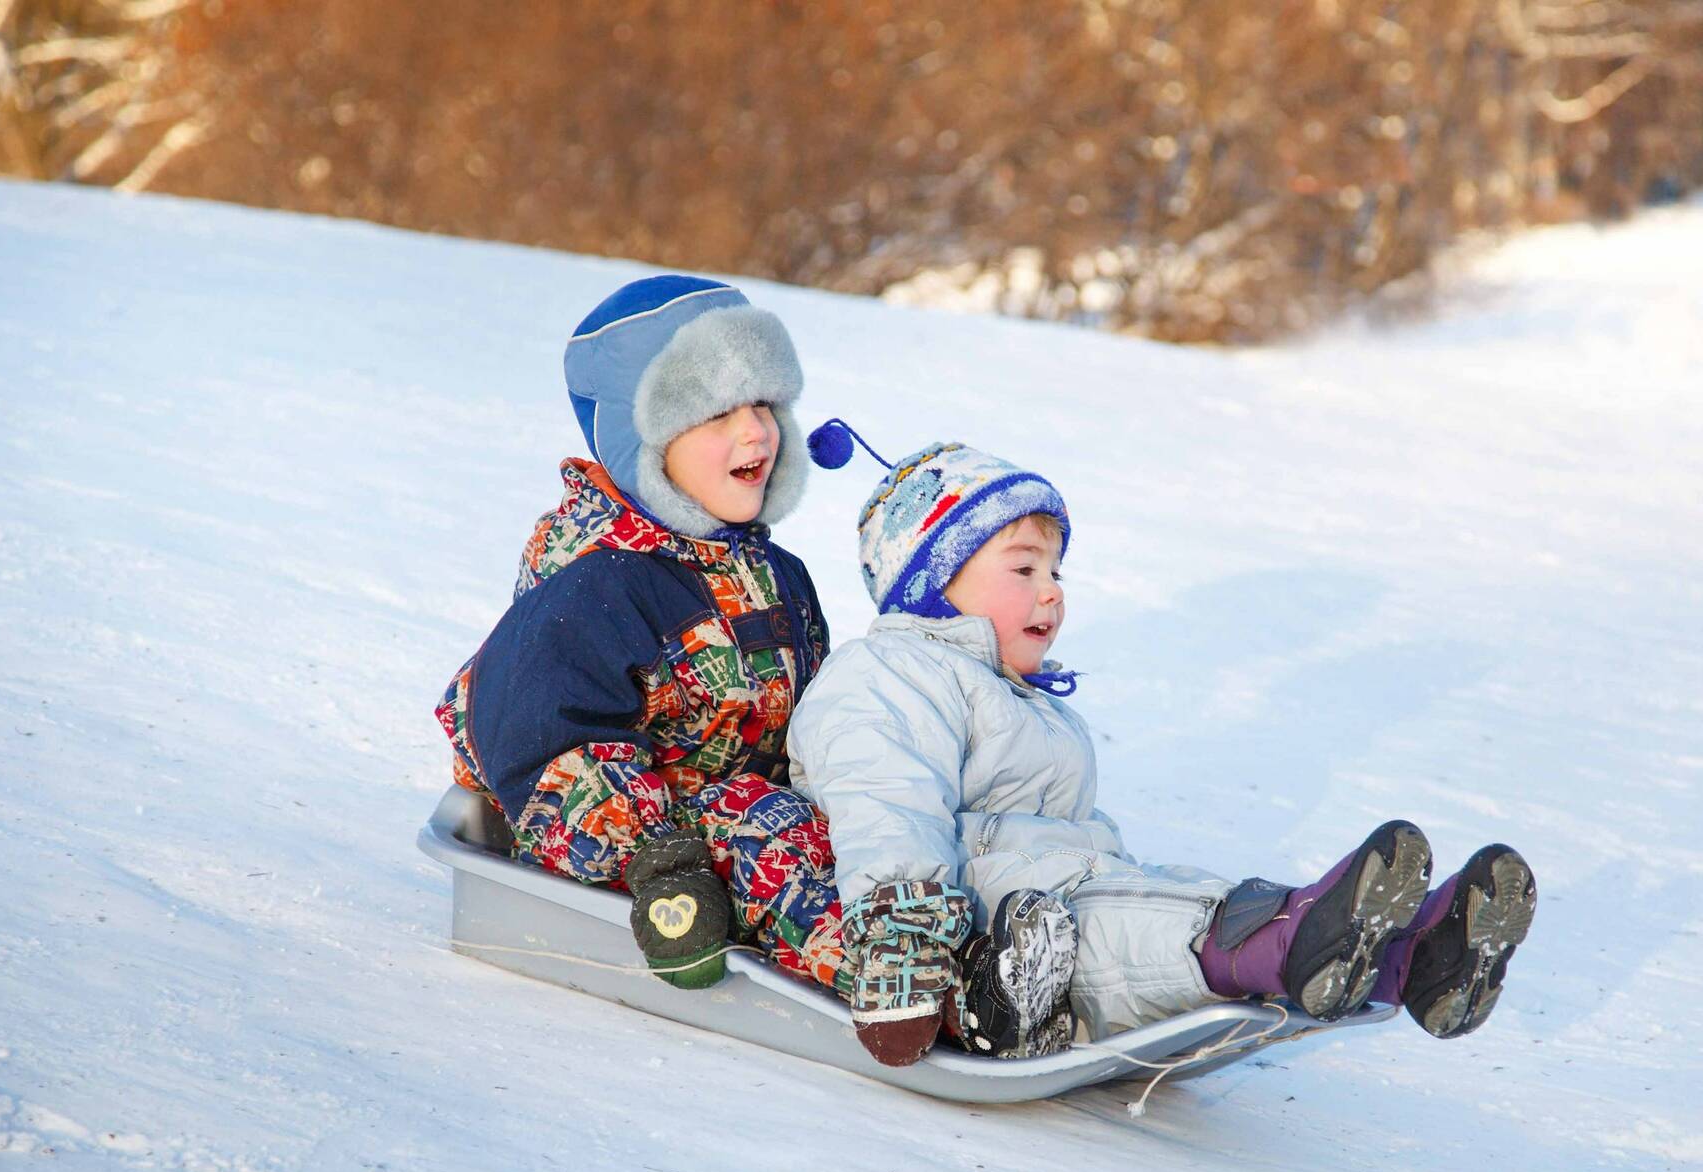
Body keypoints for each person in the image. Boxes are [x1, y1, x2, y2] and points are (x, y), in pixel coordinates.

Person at [787, 424, 1538, 1067]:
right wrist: (910, 945)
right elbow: (886, 807)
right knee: (1145, 931)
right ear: (933, 584)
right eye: (1023, 568)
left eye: (1055, 571)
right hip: (998, 933)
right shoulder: (886, 673)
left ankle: (1413, 960)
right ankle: (1298, 938)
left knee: (1193, 896)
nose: (1051, 590)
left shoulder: (1019, 698)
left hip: (1068, 887)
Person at [435, 276, 845, 993]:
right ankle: (921, 989)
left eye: (764, 404)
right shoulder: (598, 584)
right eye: (717, 412)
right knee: (768, 826)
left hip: (760, 821)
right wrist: (661, 859)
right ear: (641, 439)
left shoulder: (779, 575)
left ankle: (994, 938)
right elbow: (550, 741)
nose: (755, 431)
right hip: (648, 854)